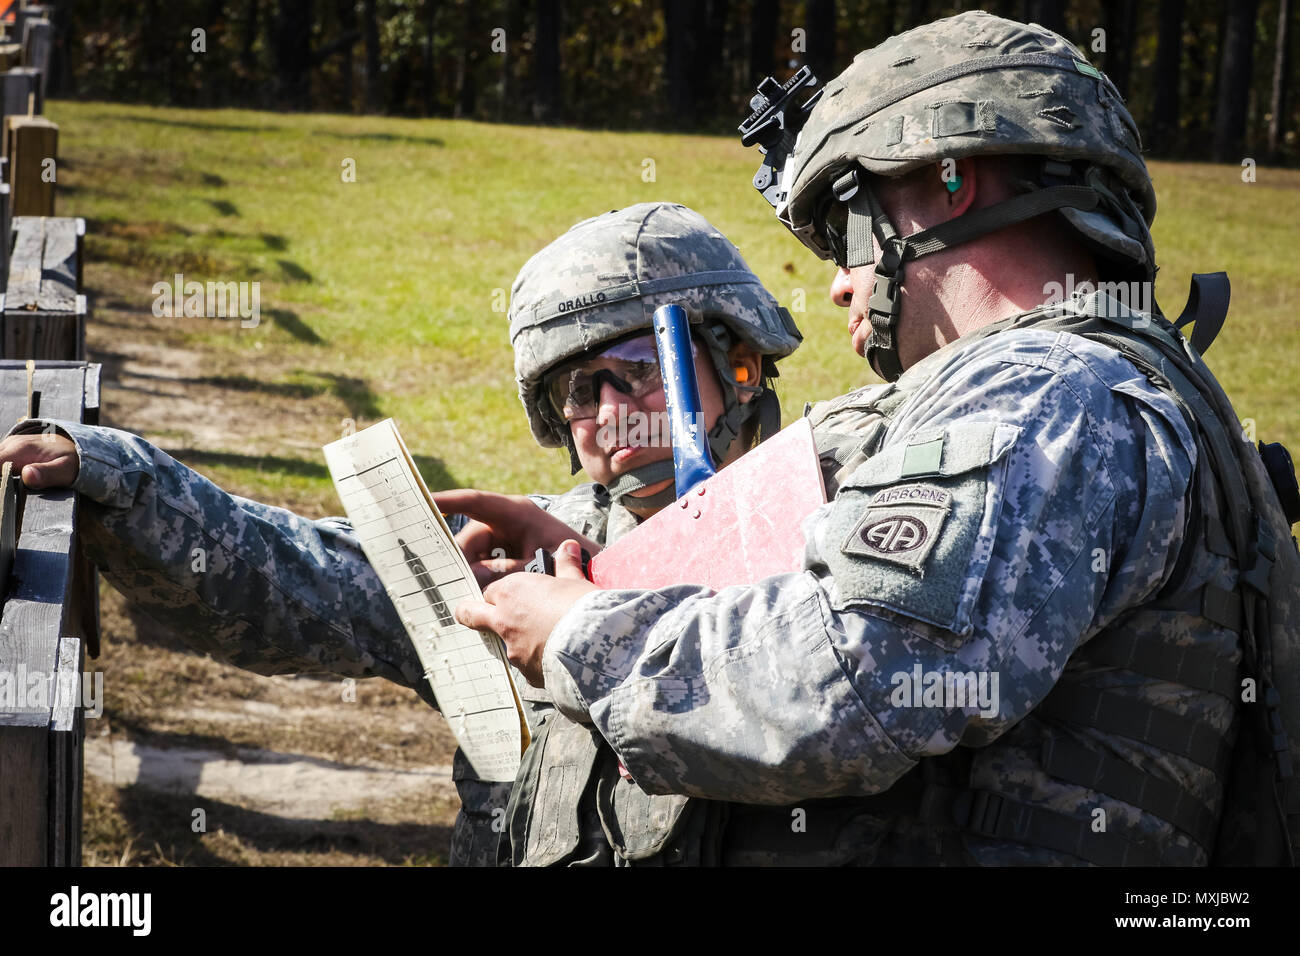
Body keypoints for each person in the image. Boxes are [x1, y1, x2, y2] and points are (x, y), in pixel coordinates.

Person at [459, 11, 1299, 865]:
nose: (837, 285)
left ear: (948, 183)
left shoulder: (1043, 390)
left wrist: (582, 638)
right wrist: (616, 570)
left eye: (851, 230)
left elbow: (850, 683)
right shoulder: (1106, 379)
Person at [0, 201, 803, 867]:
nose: (606, 408)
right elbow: (292, 578)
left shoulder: (829, 546)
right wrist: (117, 474)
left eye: (638, 362)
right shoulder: (506, 560)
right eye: (575, 388)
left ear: (737, 359)